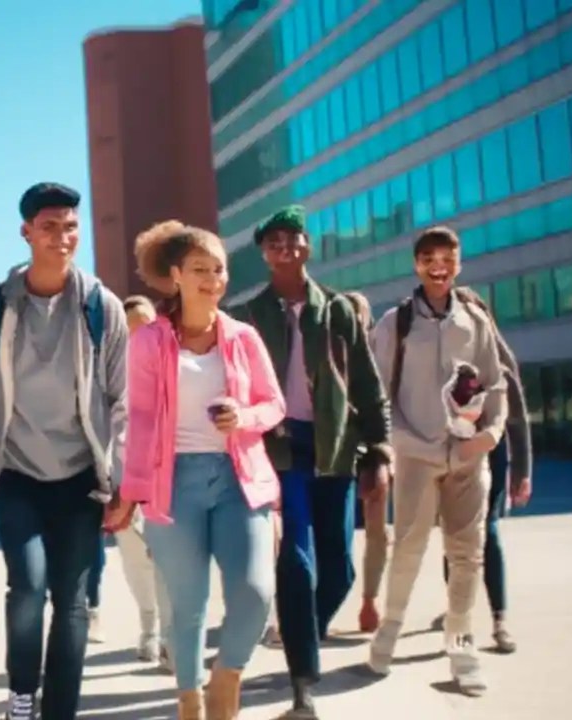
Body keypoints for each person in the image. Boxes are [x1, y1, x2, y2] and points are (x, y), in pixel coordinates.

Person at [0, 182, 129, 720]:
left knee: (70, 601)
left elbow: (123, 401)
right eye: (49, 227)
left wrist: (123, 479)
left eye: (70, 226)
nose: (62, 237)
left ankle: (61, 711)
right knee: (27, 584)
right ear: (26, 233)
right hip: (15, 469)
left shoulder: (100, 306)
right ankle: (22, 696)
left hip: (81, 475)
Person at [111, 221, 282, 720]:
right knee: (187, 603)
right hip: (173, 482)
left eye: (219, 269)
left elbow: (273, 404)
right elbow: (140, 423)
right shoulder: (148, 343)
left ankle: (227, 675)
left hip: (238, 477)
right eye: (200, 270)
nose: (212, 279)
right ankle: (189, 697)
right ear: (176, 276)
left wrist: (243, 417)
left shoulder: (244, 337)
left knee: (255, 591)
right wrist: (132, 491)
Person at [233, 206, 392, 719]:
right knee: (296, 563)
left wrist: (380, 451)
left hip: (336, 449)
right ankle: (304, 686)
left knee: (340, 567)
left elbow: (367, 385)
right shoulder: (248, 317)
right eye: (273, 240)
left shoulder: (340, 311)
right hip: (279, 451)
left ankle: (304, 637)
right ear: (263, 252)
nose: (284, 246)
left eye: (293, 237)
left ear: (307, 246)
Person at [367, 227, 508, 696]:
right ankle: (390, 628)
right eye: (428, 258)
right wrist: (407, 442)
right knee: (408, 547)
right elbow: (377, 396)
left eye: (447, 258)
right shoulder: (396, 324)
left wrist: (490, 432)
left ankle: (462, 647)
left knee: (467, 556)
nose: (438, 266)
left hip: (469, 459)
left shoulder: (475, 320)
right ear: (416, 264)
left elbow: (497, 383)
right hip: (416, 458)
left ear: (459, 264)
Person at [429, 286, 533, 653]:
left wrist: (522, 471)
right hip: (450, 458)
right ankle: (458, 613)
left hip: (490, 456)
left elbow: (517, 422)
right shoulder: (442, 367)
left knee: (485, 532)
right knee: (455, 536)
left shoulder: (498, 365)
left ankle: (500, 620)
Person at [111, 296, 172, 667]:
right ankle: (148, 625)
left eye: (144, 325)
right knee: (135, 559)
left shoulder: (171, 362)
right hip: (122, 480)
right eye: (129, 327)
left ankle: (168, 636)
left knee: (167, 558)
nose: (138, 334)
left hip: (165, 478)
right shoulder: (108, 370)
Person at [340, 291, 389, 635]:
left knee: (376, 529)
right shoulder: (326, 353)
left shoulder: (380, 356)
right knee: (335, 526)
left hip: (374, 448)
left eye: (360, 315)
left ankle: (370, 600)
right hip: (337, 449)